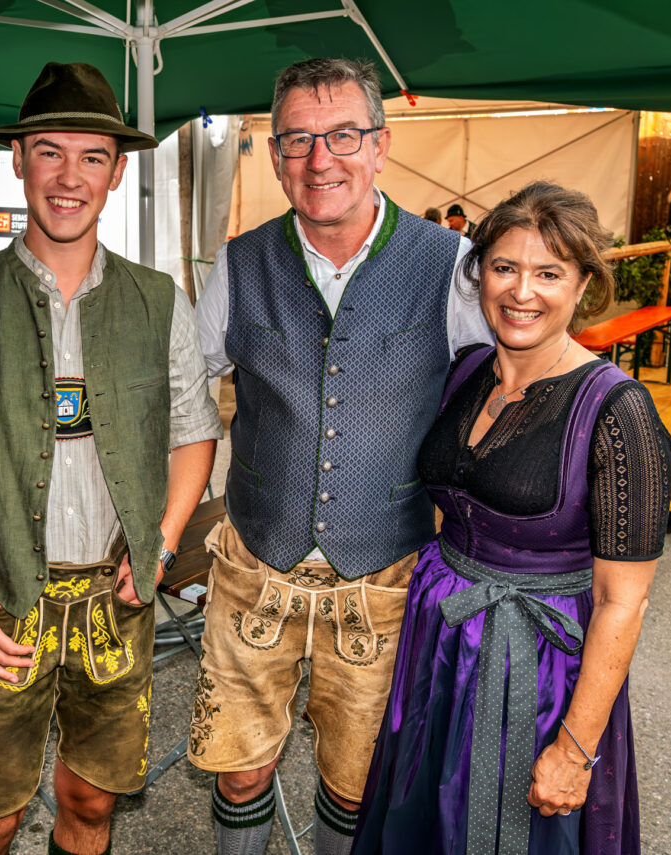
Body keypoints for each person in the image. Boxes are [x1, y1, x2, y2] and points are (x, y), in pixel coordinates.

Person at [0, 62, 221, 855]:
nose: (68, 177)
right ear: (18, 159)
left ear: (116, 170)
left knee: (90, 803)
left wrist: (166, 539)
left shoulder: (159, 300)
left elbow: (193, 432)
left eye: (91, 156)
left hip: (119, 595)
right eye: (49, 152)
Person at [190, 57, 491, 855]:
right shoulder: (242, 262)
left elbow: (503, 395)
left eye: (343, 135)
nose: (320, 159)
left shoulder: (449, 266)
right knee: (239, 770)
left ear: (382, 145)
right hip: (256, 561)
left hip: (385, 572)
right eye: (296, 140)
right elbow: (186, 393)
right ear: (277, 152)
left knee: (356, 777)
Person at [352, 180, 671, 855]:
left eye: (548, 272)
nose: (521, 291)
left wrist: (576, 746)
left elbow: (624, 600)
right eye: (504, 267)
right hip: (441, 644)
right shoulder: (467, 368)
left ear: (583, 284)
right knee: (426, 818)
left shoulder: (618, 412)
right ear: (480, 274)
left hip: (540, 669)